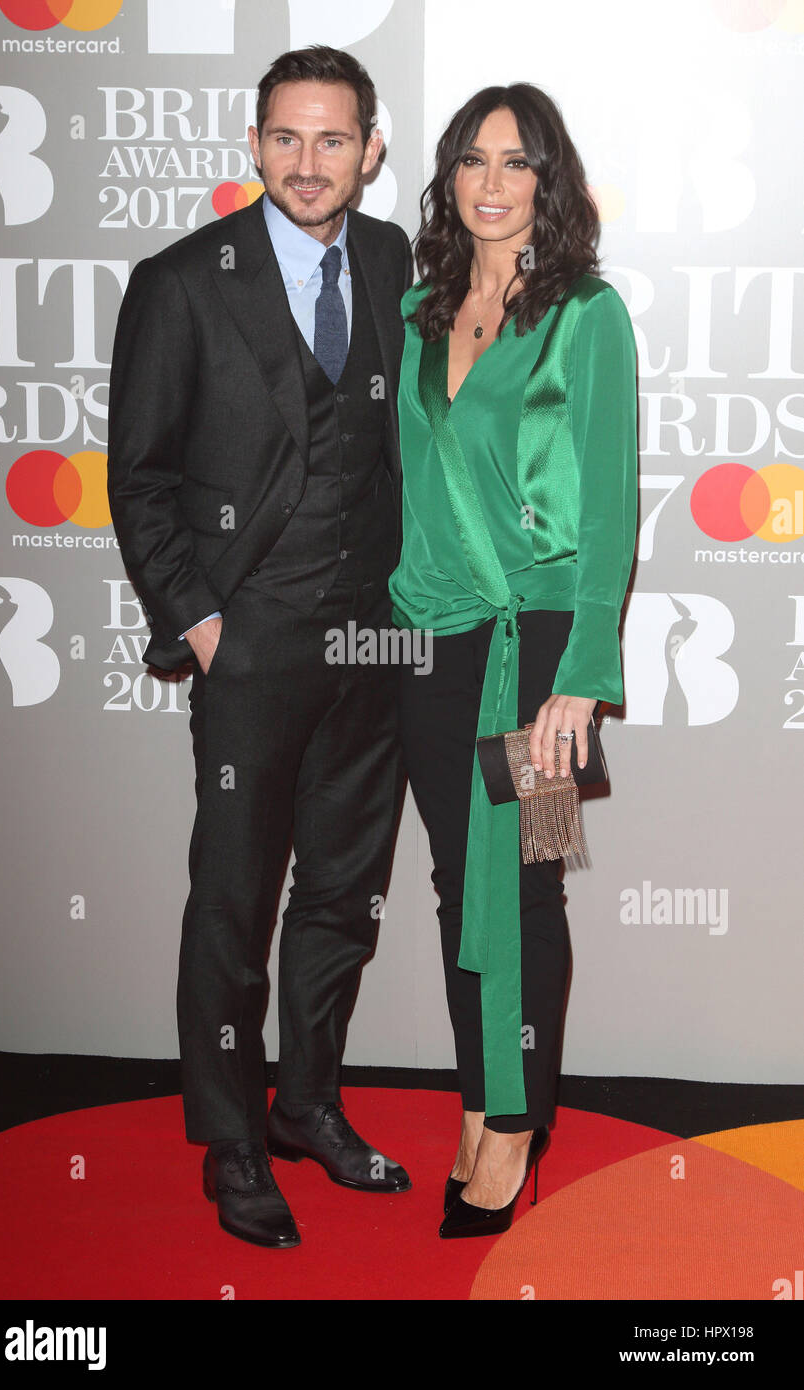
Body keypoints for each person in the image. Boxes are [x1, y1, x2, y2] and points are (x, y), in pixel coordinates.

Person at [107, 45, 414, 1250]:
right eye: (285, 137)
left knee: (343, 892)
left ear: (369, 149)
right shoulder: (182, 282)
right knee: (234, 903)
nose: (307, 161)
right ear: (252, 144)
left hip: (377, 640)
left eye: (332, 139)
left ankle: (309, 1106)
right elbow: (138, 480)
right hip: (254, 642)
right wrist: (203, 623)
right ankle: (232, 1141)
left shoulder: (393, 260)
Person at [389, 83, 638, 1238]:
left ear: (549, 179)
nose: (491, 183)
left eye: (515, 160)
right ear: (448, 179)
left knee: (529, 882)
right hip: (436, 644)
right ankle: (480, 1094)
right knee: (455, 888)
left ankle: (518, 1117)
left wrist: (582, 674)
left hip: (539, 652)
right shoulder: (417, 310)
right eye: (471, 161)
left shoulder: (588, 315)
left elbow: (613, 503)